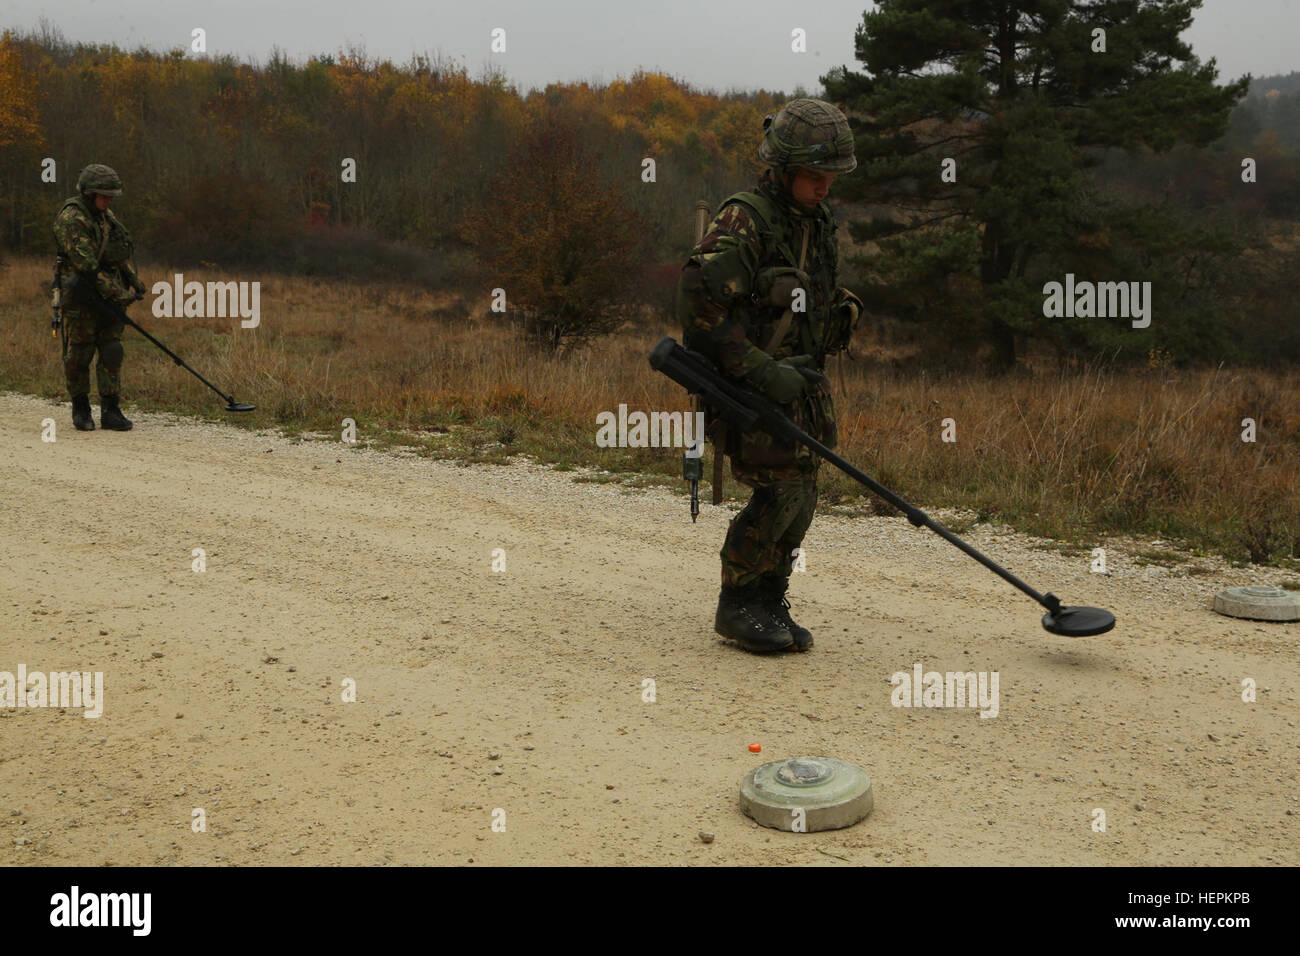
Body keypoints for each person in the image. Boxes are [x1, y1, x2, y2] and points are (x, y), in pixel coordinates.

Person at [676, 98, 864, 654]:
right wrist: (762, 370)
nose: (825, 185)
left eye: (831, 175)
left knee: (802, 495)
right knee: (779, 493)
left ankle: (768, 596)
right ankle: (738, 603)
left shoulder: (815, 221)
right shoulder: (744, 219)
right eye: (813, 175)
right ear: (782, 169)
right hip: (749, 386)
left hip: (802, 385)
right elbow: (698, 303)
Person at [53, 163, 146, 431]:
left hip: (108, 295)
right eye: (103, 196)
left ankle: (111, 408)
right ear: (87, 194)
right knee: (80, 353)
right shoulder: (71, 219)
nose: (107, 201)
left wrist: (132, 280)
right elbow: (87, 266)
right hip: (81, 295)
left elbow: (118, 254)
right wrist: (117, 292)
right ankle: (80, 407)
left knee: (112, 349)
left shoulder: (106, 218)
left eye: (110, 197)